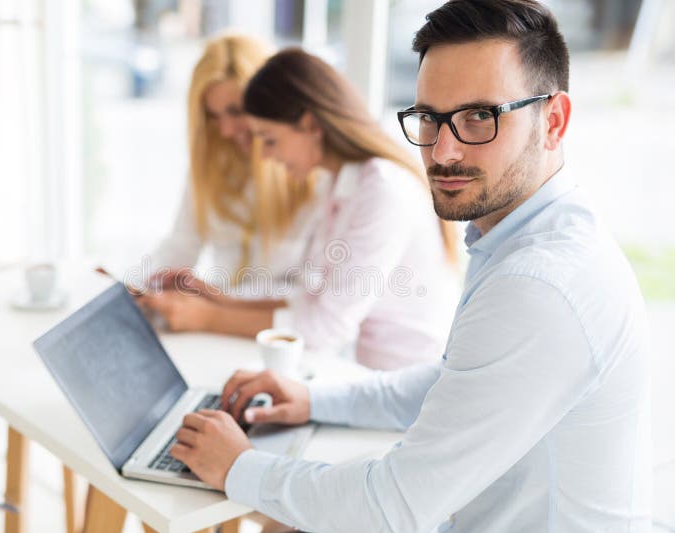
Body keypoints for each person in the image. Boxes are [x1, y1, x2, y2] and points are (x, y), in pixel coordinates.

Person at [167, 1, 652, 531]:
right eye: (430, 118)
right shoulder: (524, 238)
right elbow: (454, 382)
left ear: (553, 120)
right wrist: (312, 399)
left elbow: (390, 507)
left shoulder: (537, 284)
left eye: (478, 117)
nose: (442, 151)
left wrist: (238, 467)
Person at [142, 49, 460, 370]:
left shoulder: (381, 190)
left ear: (309, 124)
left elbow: (325, 328)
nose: (265, 156)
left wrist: (207, 317)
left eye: (269, 139)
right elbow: (309, 296)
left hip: (404, 385)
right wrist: (220, 298)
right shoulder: (341, 184)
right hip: (373, 377)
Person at [138, 34, 321, 306]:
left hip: (277, 331)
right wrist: (141, 286)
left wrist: (217, 299)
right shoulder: (212, 163)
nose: (225, 130)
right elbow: (182, 245)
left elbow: (313, 292)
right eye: (214, 116)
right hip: (217, 323)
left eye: (235, 111)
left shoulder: (310, 173)